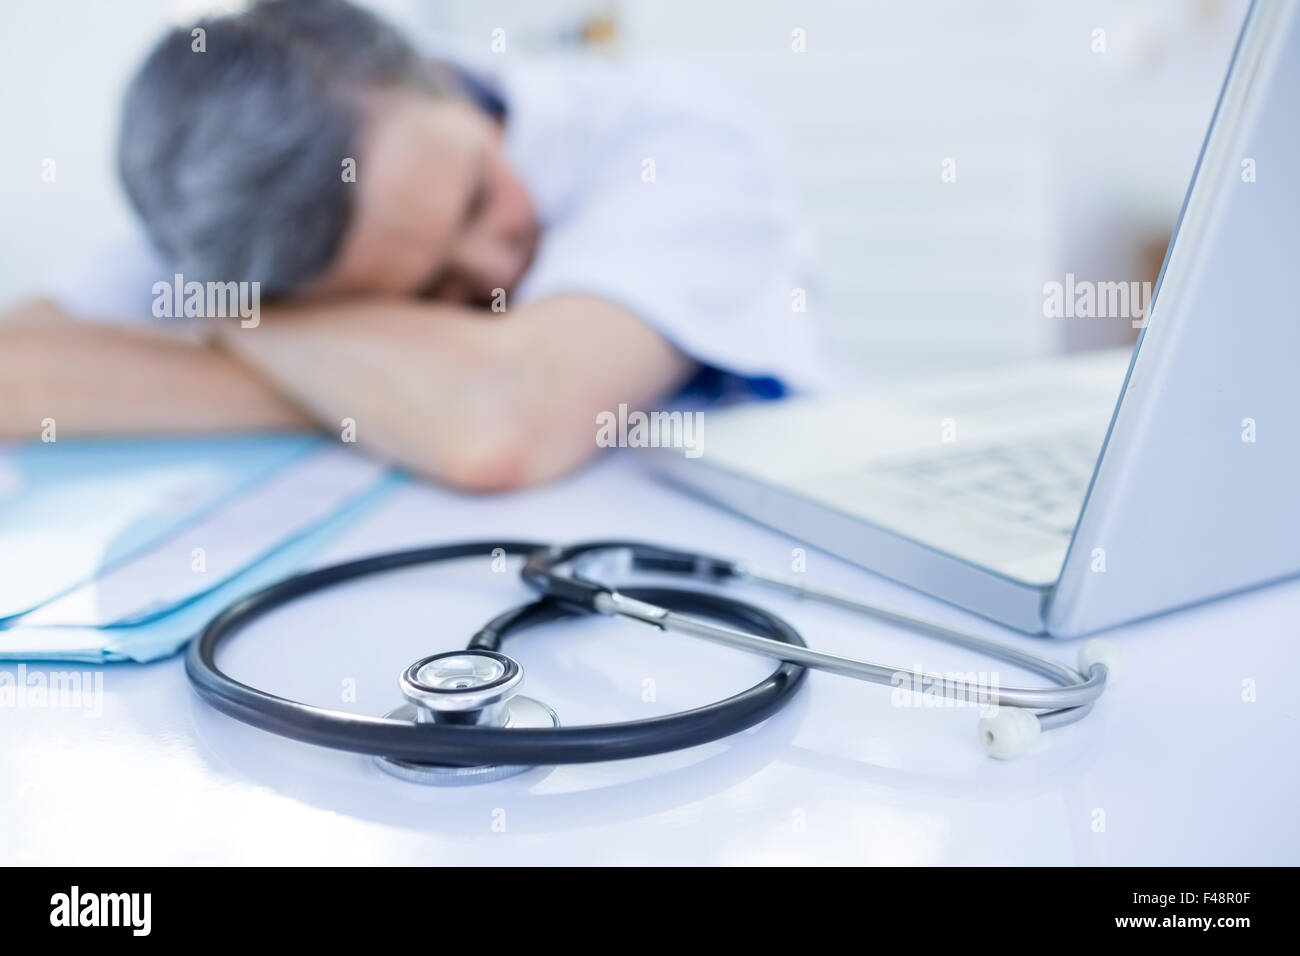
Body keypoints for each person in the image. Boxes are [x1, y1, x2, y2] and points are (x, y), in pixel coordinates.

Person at [0, 0, 819, 490]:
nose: (497, 266)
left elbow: (496, 426)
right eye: (420, 288)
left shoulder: (675, 128)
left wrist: (232, 320)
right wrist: (382, 392)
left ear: (437, 75)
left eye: (474, 196)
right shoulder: (248, 221)